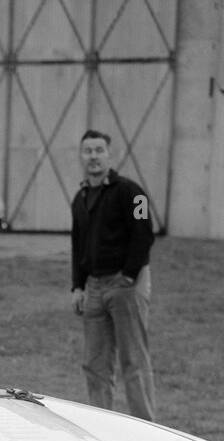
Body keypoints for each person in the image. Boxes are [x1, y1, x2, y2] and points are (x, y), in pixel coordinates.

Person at [70, 129, 156, 421]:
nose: (93, 156)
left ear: (110, 155)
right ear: (81, 156)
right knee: (94, 364)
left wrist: (130, 276)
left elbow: (145, 233)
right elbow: (78, 246)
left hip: (126, 287)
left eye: (99, 150)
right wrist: (77, 286)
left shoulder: (131, 192)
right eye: (87, 151)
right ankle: (102, 426)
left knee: (134, 361)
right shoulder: (80, 198)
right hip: (93, 289)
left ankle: (146, 428)